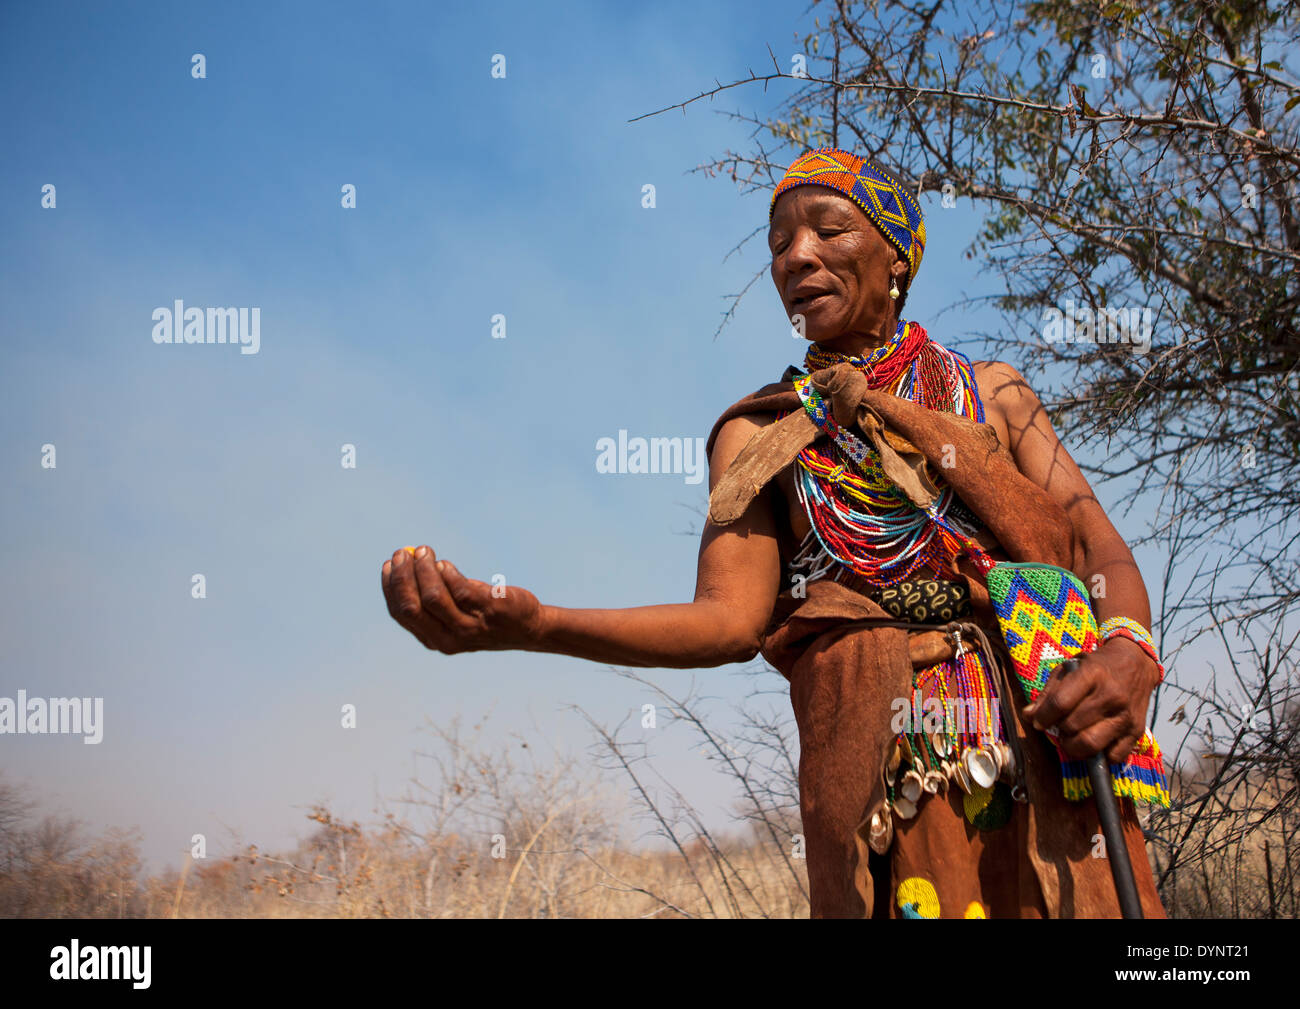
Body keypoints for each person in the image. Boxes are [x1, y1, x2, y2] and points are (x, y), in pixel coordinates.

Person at [381, 148, 1169, 918]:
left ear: (896, 257)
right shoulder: (763, 435)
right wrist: (539, 624)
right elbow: (727, 621)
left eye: (828, 230)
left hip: (1044, 744)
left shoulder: (990, 394)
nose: (797, 255)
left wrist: (1130, 649)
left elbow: (1094, 545)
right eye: (779, 243)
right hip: (891, 778)